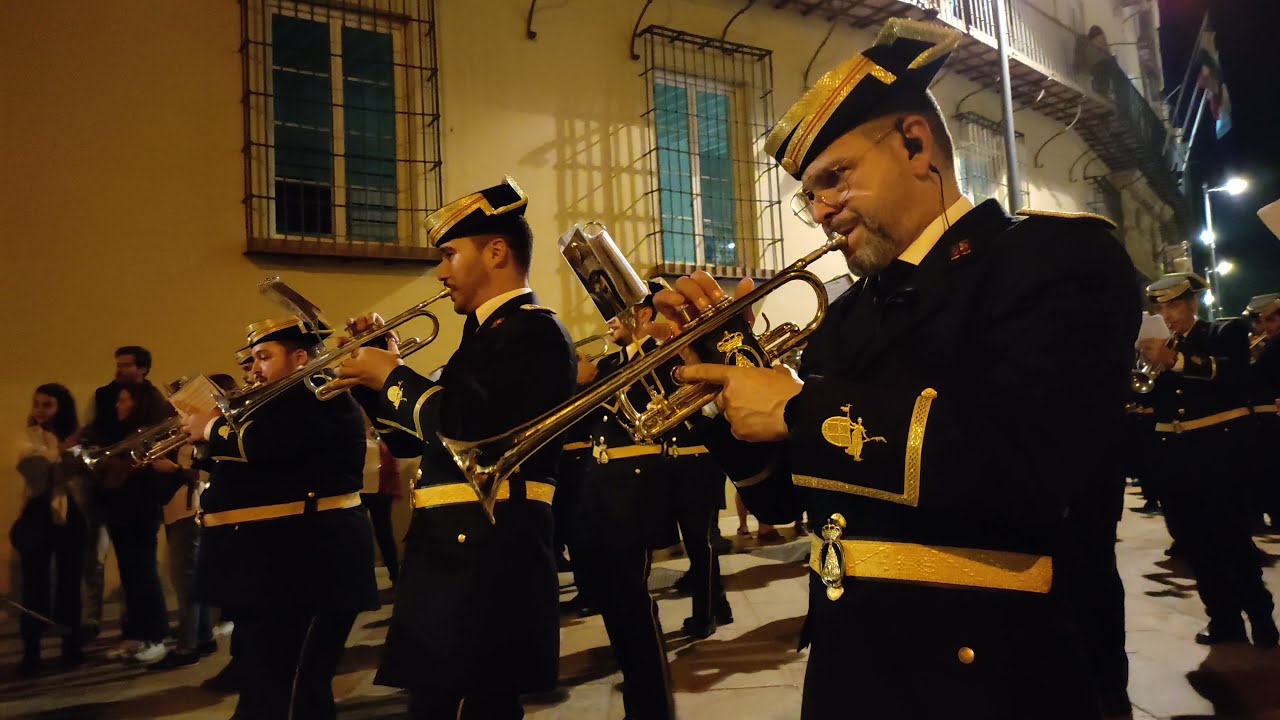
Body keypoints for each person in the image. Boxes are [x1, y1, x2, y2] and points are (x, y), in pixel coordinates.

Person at [653, 18, 1140, 719]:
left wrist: (796, 408)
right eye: (809, 194)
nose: (821, 212)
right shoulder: (845, 316)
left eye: (836, 178)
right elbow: (786, 504)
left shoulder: (1054, 261)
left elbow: (1026, 465)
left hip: (1002, 674)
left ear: (915, 143)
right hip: (854, 671)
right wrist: (717, 379)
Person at [333, 177, 575, 719]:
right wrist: (377, 380)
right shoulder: (483, 338)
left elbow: (467, 426)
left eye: (448, 254)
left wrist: (393, 375)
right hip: (455, 556)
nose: (441, 272)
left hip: (487, 560)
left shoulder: (534, 332)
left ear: (495, 252)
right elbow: (413, 440)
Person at [181, 319, 378, 720]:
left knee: (293, 691)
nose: (255, 368)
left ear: (300, 357)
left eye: (264, 357)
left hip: (310, 568)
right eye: (253, 359)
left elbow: (272, 445)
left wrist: (213, 427)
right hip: (270, 569)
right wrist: (207, 440)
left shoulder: (319, 393)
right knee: (262, 688)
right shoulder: (274, 405)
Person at [1138, 274, 1278, 647]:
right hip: (1177, 459)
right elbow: (1154, 401)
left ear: (1191, 304)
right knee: (1196, 545)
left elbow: (1233, 374)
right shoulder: (1162, 348)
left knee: (1232, 541)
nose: (1167, 316)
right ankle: (1223, 619)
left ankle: (1261, 618)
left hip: (1219, 455)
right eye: (1161, 309)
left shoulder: (1224, 332)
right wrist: (1146, 372)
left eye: (1173, 307)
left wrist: (1178, 360)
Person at [81, 345, 158, 640]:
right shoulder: (104, 395)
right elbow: (92, 430)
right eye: (118, 364)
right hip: (109, 491)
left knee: (140, 569)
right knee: (125, 566)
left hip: (138, 495)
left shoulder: (152, 401)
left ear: (143, 368)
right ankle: (134, 630)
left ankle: (146, 633)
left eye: (126, 365)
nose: (119, 370)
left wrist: (123, 463)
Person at [11, 383, 86, 675]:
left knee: (70, 584)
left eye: (47, 405)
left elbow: (79, 470)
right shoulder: (26, 437)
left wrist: (66, 453)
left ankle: (72, 647)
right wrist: (65, 452)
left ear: (61, 408)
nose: (39, 411)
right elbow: (38, 473)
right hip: (37, 514)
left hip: (72, 514)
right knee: (34, 585)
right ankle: (32, 653)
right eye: (37, 404)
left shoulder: (76, 438)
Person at [97, 383, 174, 664]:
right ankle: (137, 634)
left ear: (138, 403)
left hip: (139, 509)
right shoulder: (123, 433)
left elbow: (131, 474)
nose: (118, 406)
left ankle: (154, 636)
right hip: (122, 509)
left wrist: (114, 465)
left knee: (143, 575)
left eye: (124, 400)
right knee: (131, 576)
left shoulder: (143, 434)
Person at [359, 422, 401, 587]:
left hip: (380, 492)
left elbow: (391, 465)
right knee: (364, 538)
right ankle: (366, 584)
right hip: (359, 492)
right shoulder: (355, 433)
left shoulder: (380, 435)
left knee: (384, 536)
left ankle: (395, 577)